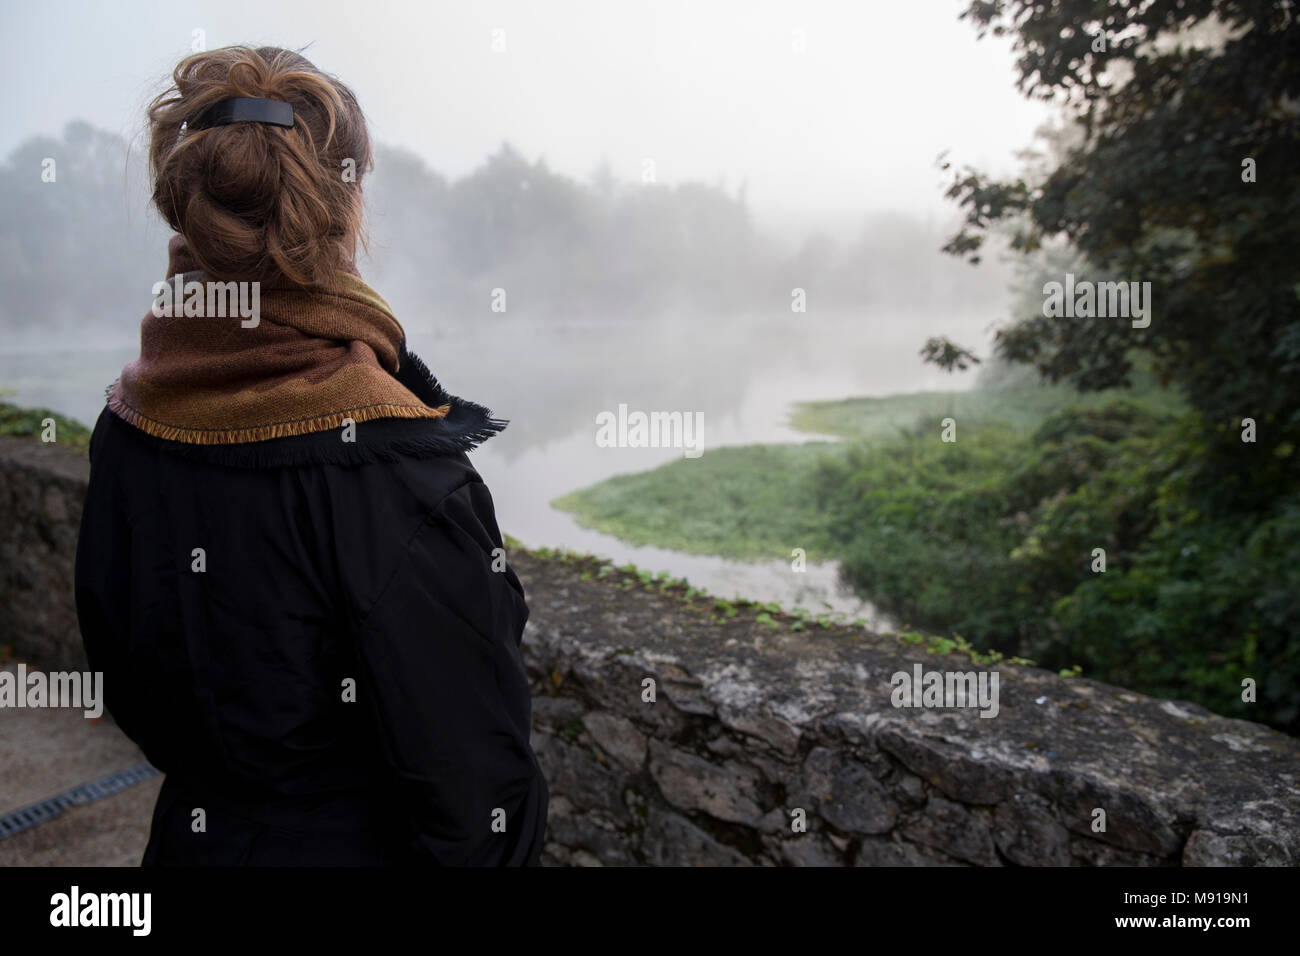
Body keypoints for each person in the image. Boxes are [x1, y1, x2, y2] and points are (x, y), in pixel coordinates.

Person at [74, 44, 548, 866]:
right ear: (348, 200)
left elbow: (130, 683)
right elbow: (480, 799)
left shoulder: (130, 422)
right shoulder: (397, 474)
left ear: (189, 208)